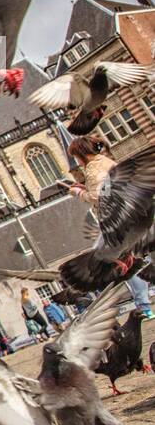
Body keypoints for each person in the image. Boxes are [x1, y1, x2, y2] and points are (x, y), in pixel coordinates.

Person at [66, 136, 154, 320]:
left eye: (74, 156)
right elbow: (110, 188)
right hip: (139, 219)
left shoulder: (93, 169)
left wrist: (80, 192)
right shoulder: (107, 162)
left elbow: (100, 196)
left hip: (120, 226)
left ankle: (113, 266)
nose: (75, 161)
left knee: (103, 255)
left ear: (80, 155)